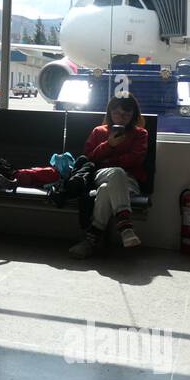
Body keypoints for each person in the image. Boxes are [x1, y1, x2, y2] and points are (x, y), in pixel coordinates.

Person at [69, 94, 149, 258]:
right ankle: (125, 227)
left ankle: (90, 240)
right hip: (101, 175)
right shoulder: (99, 132)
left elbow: (135, 159)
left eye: (126, 114)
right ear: (110, 112)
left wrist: (108, 159)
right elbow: (89, 158)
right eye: (117, 113)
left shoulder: (140, 134)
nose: (121, 117)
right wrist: (109, 145)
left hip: (129, 181)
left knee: (106, 189)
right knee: (115, 173)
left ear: (134, 115)